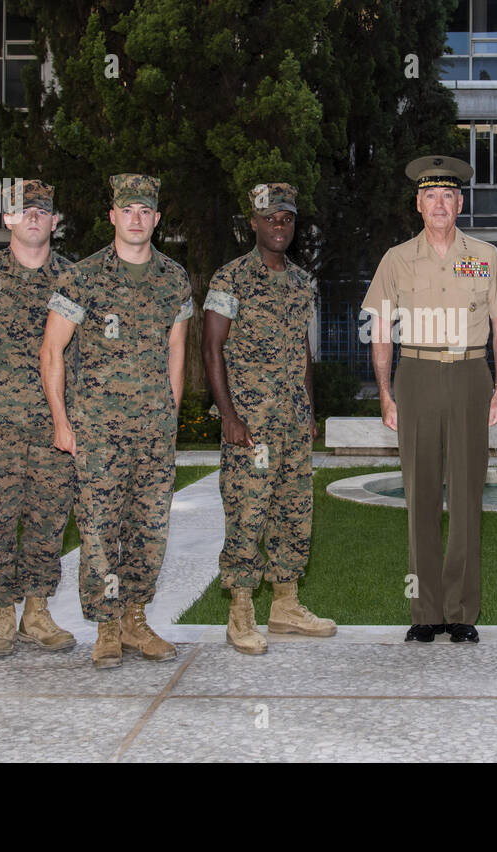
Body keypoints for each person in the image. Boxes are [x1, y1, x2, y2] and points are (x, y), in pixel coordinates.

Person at [361, 155, 497, 644]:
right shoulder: (396, 259)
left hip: (471, 373)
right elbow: (381, 332)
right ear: (418, 204)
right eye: (430, 195)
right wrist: (386, 394)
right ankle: (425, 612)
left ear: (460, 203)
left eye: (448, 195)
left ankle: (461, 612)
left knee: (468, 496)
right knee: (421, 495)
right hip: (417, 373)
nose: (439, 204)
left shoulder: (486, 256)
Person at [41, 173, 193, 669]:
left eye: (145, 211)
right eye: (127, 210)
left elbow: (176, 349)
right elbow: (52, 351)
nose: (136, 219)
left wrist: (170, 415)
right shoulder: (81, 277)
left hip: (153, 431)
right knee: (101, 530)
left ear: (156, 218)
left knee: (151, 529)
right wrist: (62, 423)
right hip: (98, 433)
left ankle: (134, 618)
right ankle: (107, 625)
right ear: (112, 216)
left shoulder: (174, 278)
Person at [202, 182, 334, 655]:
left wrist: (310, 411)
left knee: (295, 512)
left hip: (293, 421)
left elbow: (302, 350)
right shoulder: (229, 279)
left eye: (287, 219)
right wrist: (229, 415)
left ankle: (286, 604)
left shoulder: (301, 282)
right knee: (247, 513)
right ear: (254, 223)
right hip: (251, 423)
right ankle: (240, 611)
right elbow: (211, 347)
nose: (280, 226)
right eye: (271, 218)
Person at [0, 179, 77, 658]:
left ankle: (38, 612)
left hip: (54, 424)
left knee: (48, 521)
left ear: (54, 222)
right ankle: (2, 612)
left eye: (42, 211)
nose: (33, 217)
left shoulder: (74, 279)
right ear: (6, 219)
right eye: (23, 211)